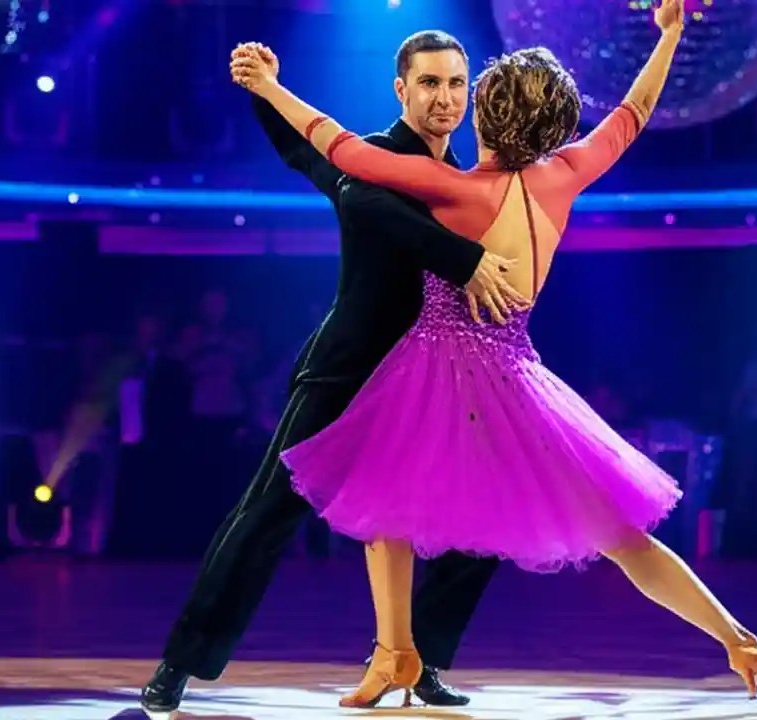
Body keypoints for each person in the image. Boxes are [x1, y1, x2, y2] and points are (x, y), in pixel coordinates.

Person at [231, 0, 757, 712]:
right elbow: (631, 113)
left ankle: (397, 654)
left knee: (382, 502)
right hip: (517, 379)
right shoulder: (565, 175)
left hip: (434, 374)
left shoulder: (453, 187)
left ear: (488, 115)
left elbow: (342, 150)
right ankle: (744, 646)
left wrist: (268, 86)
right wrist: (669, 35)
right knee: (620, 536)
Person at [140, 33, 529, 717]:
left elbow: (306, 155)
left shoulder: (467, 177)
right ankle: (181, 661)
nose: (446, 98)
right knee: (266, 513)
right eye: (431, 83)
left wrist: (265, 93)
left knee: (482, 516)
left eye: (456, 84)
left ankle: (422, 659)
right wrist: (263, 91)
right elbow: (343, 186)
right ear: (400, 89)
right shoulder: (376, 160)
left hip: (436, 381)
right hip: (349, 372)